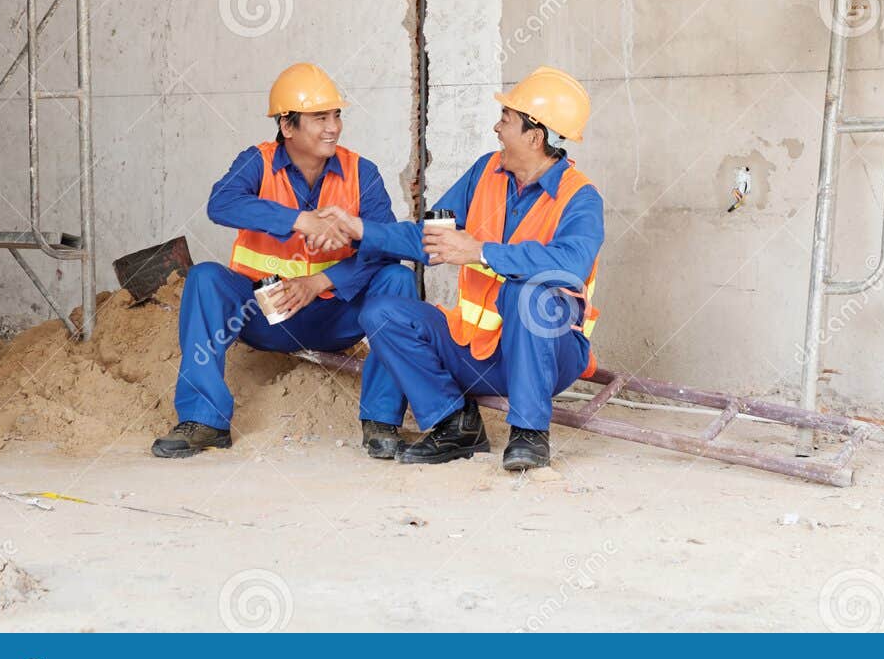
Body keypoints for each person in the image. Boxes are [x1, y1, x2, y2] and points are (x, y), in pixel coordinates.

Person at [313, 67, 603, 471]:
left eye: (506, 120)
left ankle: (530, 433)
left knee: (527, 291)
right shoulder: (485, 172)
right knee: (380, 313)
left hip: (550, 358)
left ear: (535, 137)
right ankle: (455, 423)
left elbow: (571, 263)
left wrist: (481, 251)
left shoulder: (581, 198)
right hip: (480, 353)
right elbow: (429, 238)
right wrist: (361, 228)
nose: (496, 128)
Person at [152, 62, 415, 460]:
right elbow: (221, 204)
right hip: (262, 315)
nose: (333, 127)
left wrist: (319, 283)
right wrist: (298, 220)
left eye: (337, 115)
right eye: (319, 117)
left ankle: (381, 419)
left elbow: (387, 245)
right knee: (205, 278)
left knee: (396, 278)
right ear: (287, 126)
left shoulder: (363, 173)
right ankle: (204, 419)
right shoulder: (256, 162)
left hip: (336, 316)